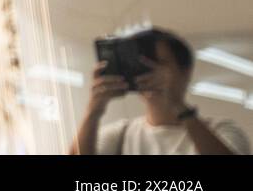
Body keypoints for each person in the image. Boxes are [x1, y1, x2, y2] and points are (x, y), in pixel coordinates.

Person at [70, 28, 249, 155]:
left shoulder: (223, 131)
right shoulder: (120, 135)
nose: (148, 73)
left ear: (185, 72)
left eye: (159, 64)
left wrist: (178, 105)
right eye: (141, 65)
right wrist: (93, 112)